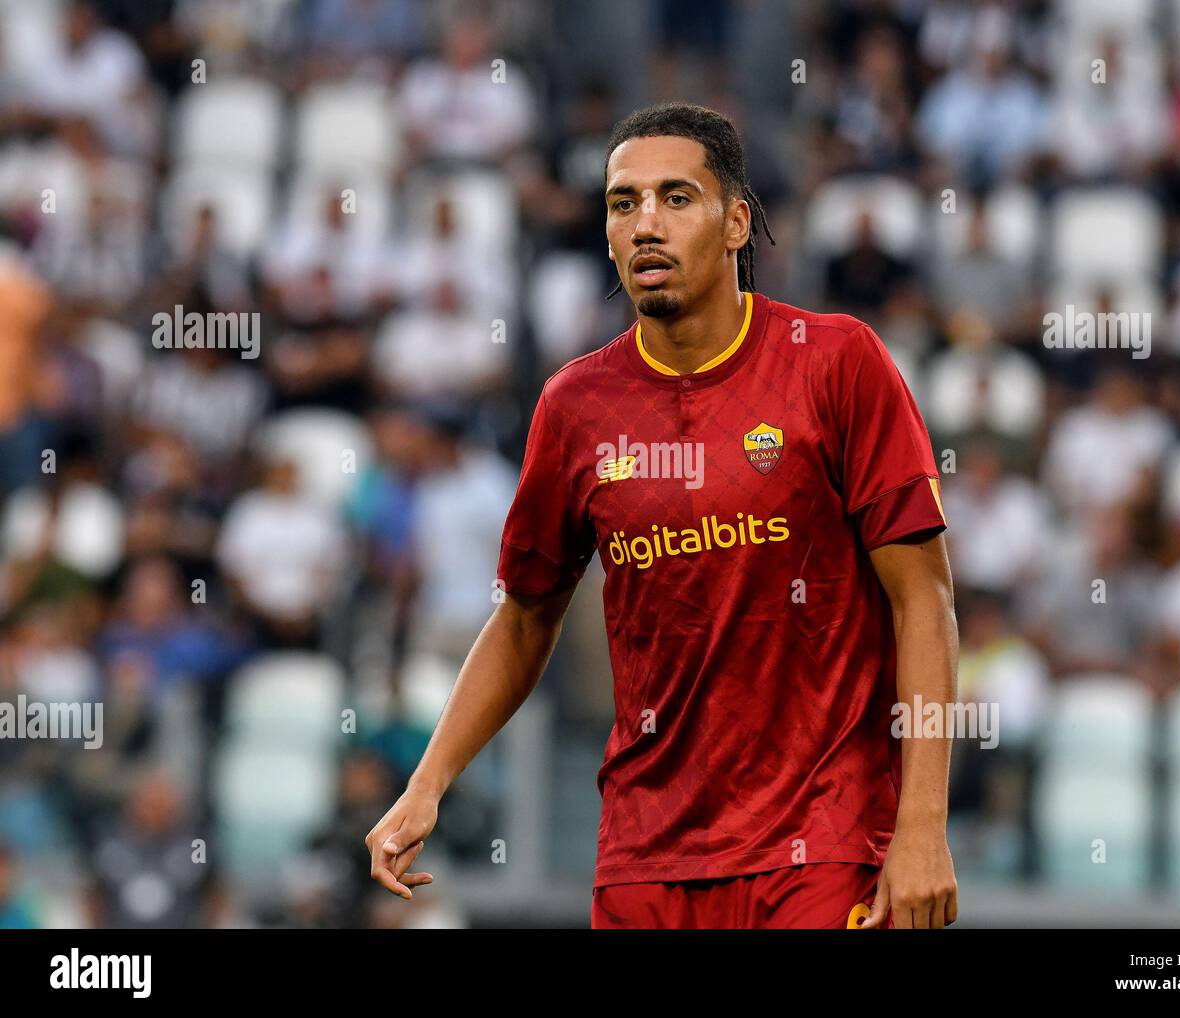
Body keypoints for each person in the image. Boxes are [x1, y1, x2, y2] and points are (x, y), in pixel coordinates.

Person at [366, 102, 959, 930]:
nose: (646, 223)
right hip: (647, 854)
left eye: (677, 198)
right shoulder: (576, 405)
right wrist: (425, 784)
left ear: (735, 222)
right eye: (623, 203)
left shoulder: (837, 364)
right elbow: (526, 613)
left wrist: (923, 827)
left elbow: (923, 598)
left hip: (823, 843)